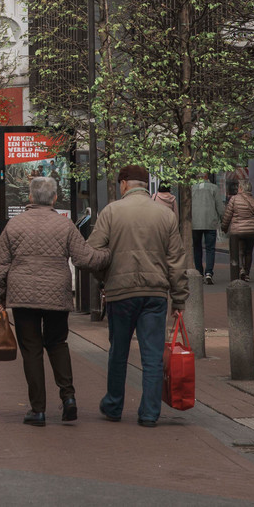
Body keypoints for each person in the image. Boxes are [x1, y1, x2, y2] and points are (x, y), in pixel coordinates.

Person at [0, 176, 108, 426]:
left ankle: (38, 409)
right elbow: (84, 259)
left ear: (30, 198)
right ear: (55, 198)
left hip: (22, 297)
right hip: (56, 294)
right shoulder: (64, 226)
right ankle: (68, 398)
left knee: (31, 351)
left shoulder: (14, 225)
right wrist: (109, 254)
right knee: (57, 343)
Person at [88, 166, 186, 428]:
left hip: (121, 292)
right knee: (152, 356)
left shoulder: (111, 212)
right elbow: (176, 260)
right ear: (146, 184)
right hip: (155, 292)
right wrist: (179, 299)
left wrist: (103, 279)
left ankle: (114, 404)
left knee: (118, 351)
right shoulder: (165, 215)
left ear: (123, 184)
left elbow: (93, 254)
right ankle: (149, 413)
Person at [222, 180, 254, 282]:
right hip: (252, 231)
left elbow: (227, 216)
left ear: (241, 188)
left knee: (239, 251)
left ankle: (241, 269)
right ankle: (247, 274)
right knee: (248, 252)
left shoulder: (234, 199)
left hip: (237, 231)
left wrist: (224, 228)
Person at [190, 173, 224, 283]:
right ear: (207, 177)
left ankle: (199, 271)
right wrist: (223, 219)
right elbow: (220, 206)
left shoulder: (192, 188)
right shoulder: (214, 188)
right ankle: (209, 273)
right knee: (210, 248)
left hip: (195, 222)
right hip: (210, 222)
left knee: (197, 248)